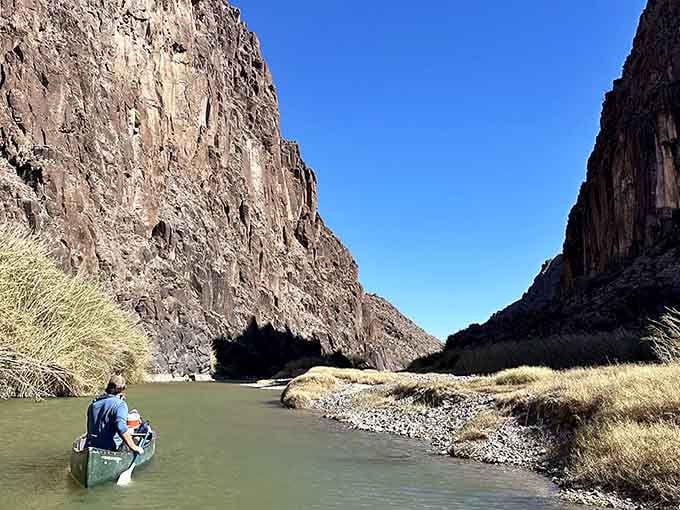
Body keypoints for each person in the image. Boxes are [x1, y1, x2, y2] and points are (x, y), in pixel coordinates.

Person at [85, 375, 144, 454]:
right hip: (109, 449)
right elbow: (121, 427)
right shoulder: (120, 404)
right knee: (133, 432)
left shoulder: (93, 404)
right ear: (122, 390)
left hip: (90, 445)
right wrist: (133, 447)